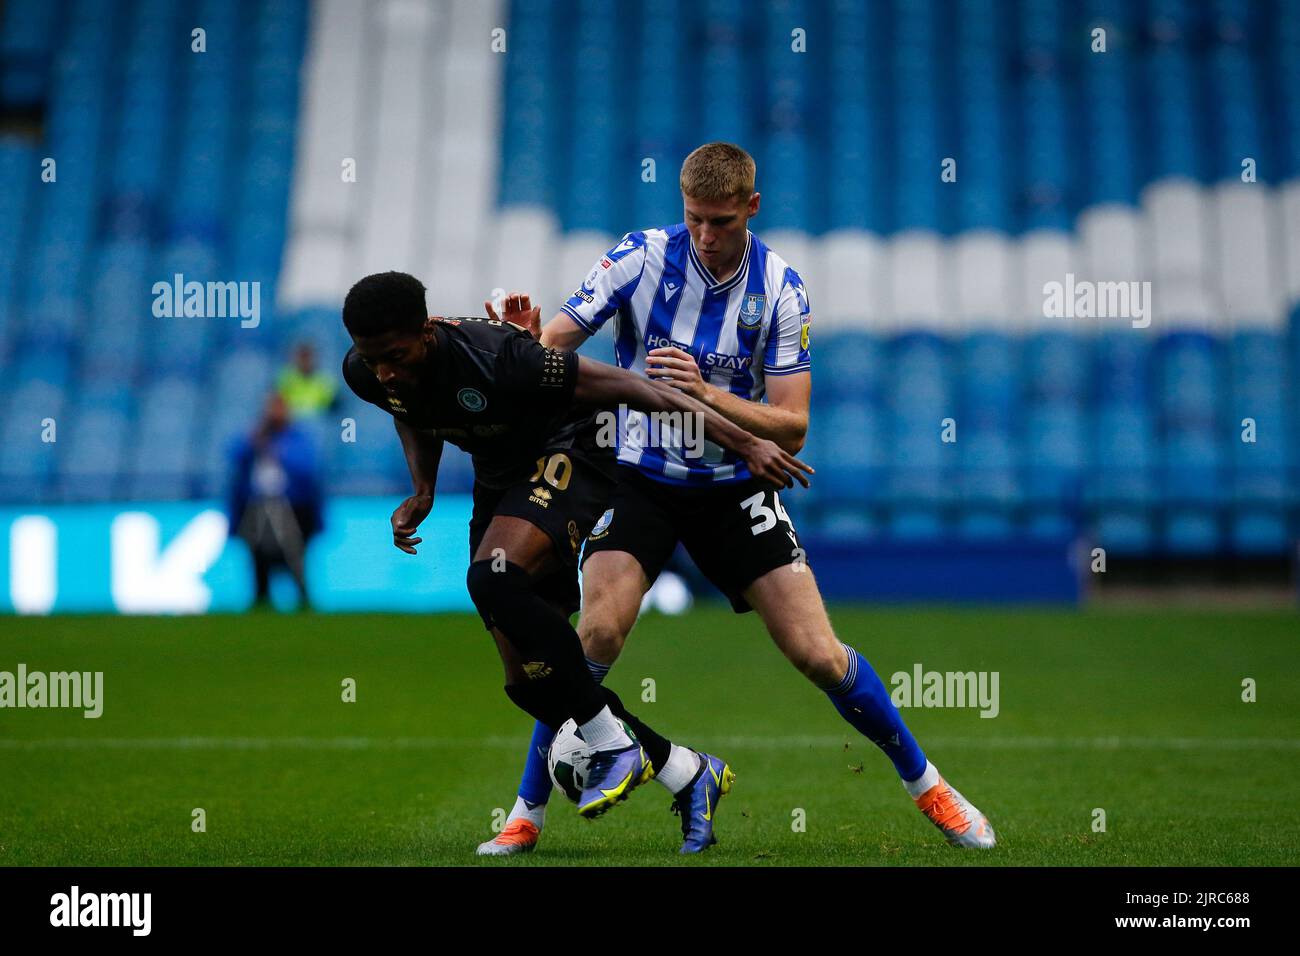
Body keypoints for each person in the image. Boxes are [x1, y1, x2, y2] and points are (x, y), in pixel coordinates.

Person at [479, 142, 996, 855]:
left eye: (720, 221)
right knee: (592, 638)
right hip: (637, 479)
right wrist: (524, 341)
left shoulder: (780, 289)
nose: (705, 235)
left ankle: (930, 786)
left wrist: (705, 392)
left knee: (818, 654)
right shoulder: (637, 258)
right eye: (694, 218)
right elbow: (556, 346)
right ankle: (526, 813)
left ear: (751, 207)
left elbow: (793, 425)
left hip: (732, 489)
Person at [339, 270, 811, 823]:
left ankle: (611, 745)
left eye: (394, 356)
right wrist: (423, 489)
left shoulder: (505, 358)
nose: (384, 371)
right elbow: (408, 407)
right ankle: (683, 769)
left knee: (493, 577)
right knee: (530, 681)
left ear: (426, 330)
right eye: (373, 360)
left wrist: (748, 443)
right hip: (501, 478)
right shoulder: (367, 372)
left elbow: (643, 391)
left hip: (576, 448)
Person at [226, 392, 324, 609]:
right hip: (257, 505)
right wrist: (255, 441)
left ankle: (302, 596)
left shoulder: (297, 438)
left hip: (293, 506)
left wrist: (276, 451)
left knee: (293, 552)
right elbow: (235, 458)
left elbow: (306, 468)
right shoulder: (255, 437)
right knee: (257, 552)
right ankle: (261, 598)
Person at [277, 341, 340, 419]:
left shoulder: (325, 382)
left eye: (308, 357)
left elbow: (334, 410)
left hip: (320, 422)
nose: (305, 362)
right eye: (302, 357)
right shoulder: (285, 379)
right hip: (292, 422)